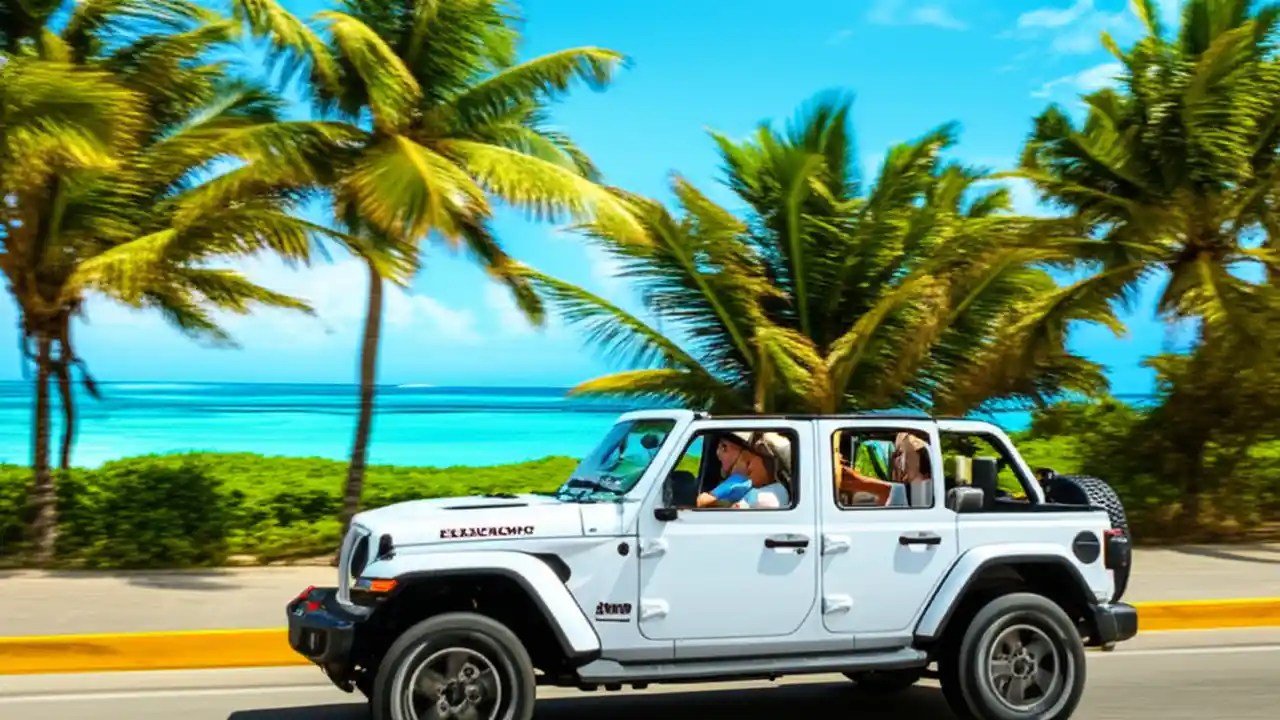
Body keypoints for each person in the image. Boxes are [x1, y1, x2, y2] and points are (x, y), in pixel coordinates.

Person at [697, 431, 792, 509]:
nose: (718, 453)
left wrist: (727, 488)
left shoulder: (760, 496)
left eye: (749, 462)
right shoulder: (779, 490)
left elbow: (702, 501)